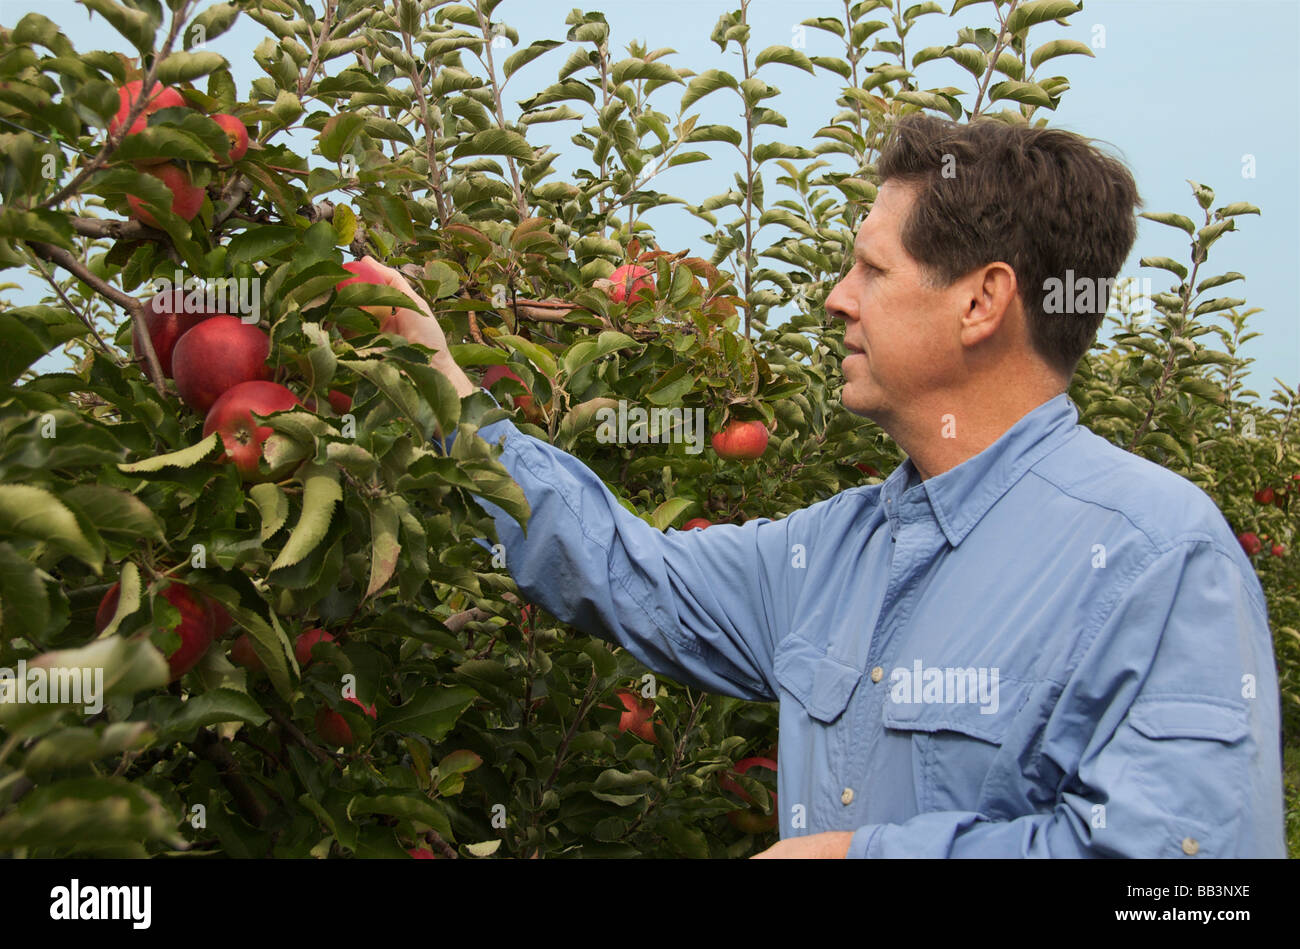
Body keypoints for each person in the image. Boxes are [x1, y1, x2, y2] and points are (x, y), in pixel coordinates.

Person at [365, 113, 1285, 858]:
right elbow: (623, 569)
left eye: (873, 270)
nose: (838, 297)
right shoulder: (833, 551)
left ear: (981, 301)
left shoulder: (1157, 559)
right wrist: (444, 388)